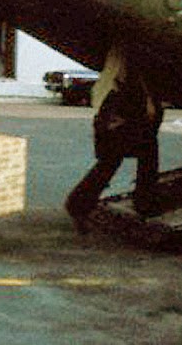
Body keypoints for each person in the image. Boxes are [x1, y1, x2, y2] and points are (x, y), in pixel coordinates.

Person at [65, 47, 162, 232]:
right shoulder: (131, 71)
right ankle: (144, 202)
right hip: (118, 123)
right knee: (141, 157)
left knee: (111, 164)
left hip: (116, 123)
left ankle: (78, 205)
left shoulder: (124, 67)